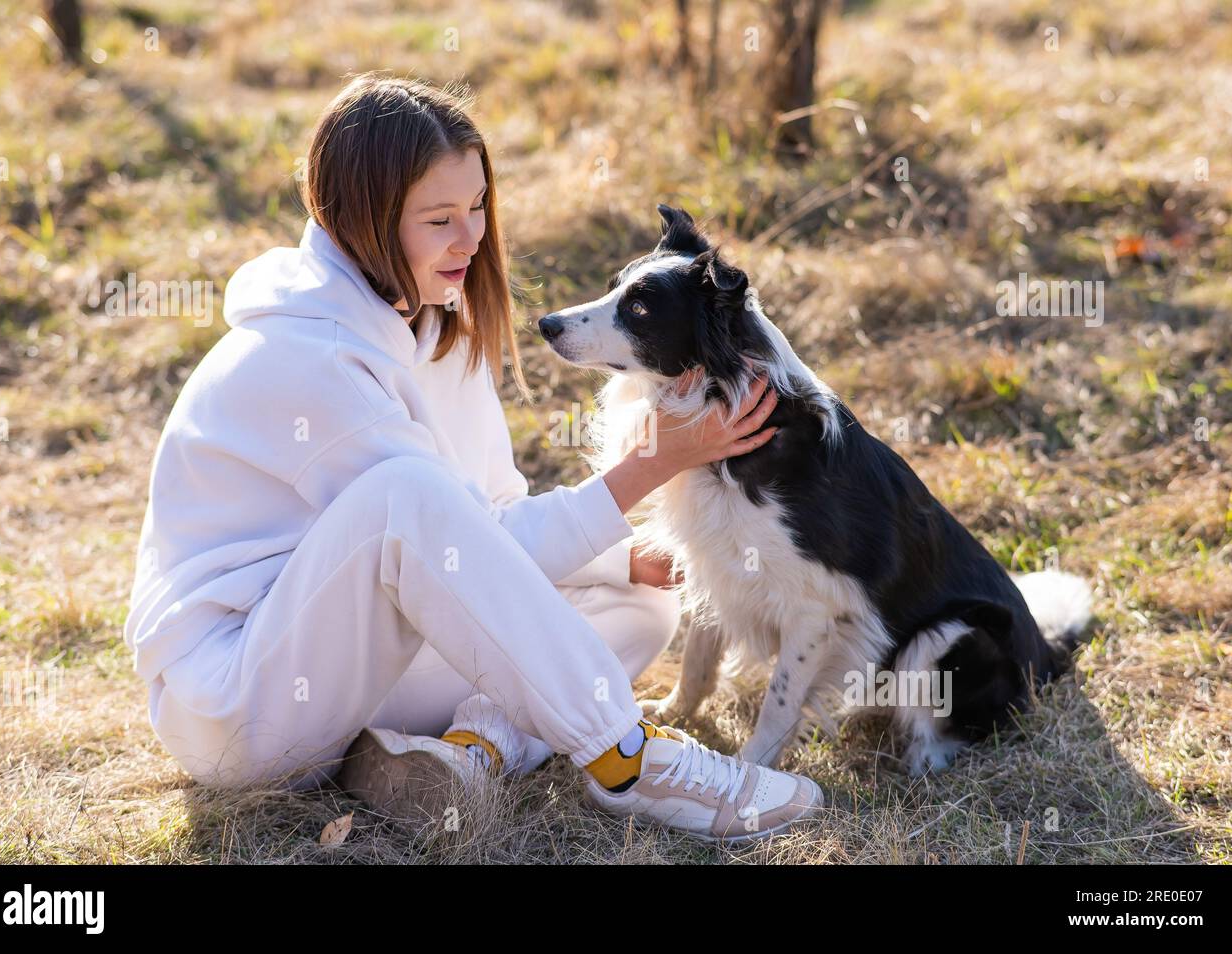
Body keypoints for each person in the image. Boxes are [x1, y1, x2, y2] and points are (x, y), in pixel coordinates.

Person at [123, 73, 821, 842]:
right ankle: (628, 763)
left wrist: (617, 565)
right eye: (439, 218)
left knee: (638, 601)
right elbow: (442, 532)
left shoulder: (432, 324)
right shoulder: (306, 357)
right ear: (361, 220)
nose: (471, 237)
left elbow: (483, 530)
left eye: (479, 207)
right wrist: (655, 464)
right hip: (239, 707)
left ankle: (463, 754)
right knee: (406, 494)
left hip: (349, 677)